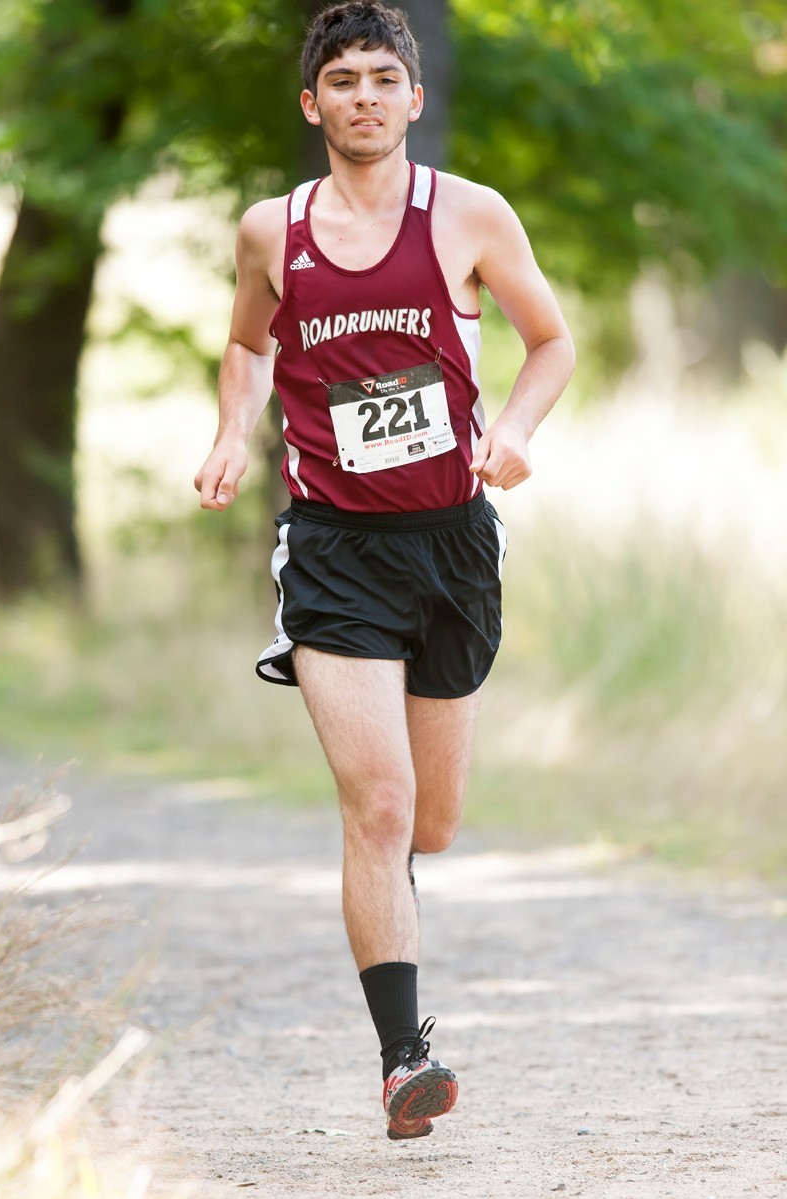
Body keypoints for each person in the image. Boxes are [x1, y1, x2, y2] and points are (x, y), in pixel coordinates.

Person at [194, 0, 575, 1141]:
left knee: (433, 823)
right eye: (341, 81)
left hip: (450, 543)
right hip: (331, 549)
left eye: (381, 79)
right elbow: (245, 346)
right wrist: (228, 432)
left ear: (411, 96)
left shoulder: (467, 215)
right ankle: (403, 1059)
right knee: (379, 802)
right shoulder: (274, 231)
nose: (363, 96)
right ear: (312, 103)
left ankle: (389, 907)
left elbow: (549, 342)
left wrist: (511, 433)